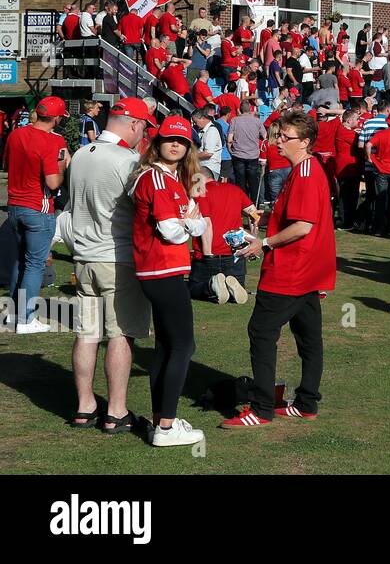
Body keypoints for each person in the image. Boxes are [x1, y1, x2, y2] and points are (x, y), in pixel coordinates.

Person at [222, 110, 337, 427]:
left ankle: (261, 409)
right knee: (309, 339)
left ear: (306, 142)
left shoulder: (305, 172)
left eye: (286, 137)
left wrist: (264, 243)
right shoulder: (304, 170)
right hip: (307, 271)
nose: (277, 142)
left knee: (261, 333)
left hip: (292, 271)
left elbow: (302, 226)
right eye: (278, 135)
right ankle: (306, 402)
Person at [65, 98, 153, 433]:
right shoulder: (127, 159)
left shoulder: (82, 154)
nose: (142, 135)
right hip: (116, 256)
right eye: (143, 128)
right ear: (133, 124)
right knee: (121, 333)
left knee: (87, 333)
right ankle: (116, 411)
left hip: (84, 255)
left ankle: (85, 406)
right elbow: (144, 207)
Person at [130, 114, 208, 447]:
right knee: (183, 345)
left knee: (165, 346)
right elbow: (174, 231)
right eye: (169, 139)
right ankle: (166, 425)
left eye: (182, 140)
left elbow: (200, 223)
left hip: (165, 269)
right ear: (156, 142)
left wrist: (191, 221)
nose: (175, 145)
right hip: (160, 268)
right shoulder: (157, 179)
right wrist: (188, 223)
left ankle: (162, 417)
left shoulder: (172, 179)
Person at [4, 96, 70, 332]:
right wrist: (63, 166)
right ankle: (26, 318)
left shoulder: (16, 134)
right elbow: (53, 183)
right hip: (37, 206)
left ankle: (14, 314)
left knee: (21, 260)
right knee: (34, 264)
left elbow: (7, 164)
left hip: (14, 204)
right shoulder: (53, 141)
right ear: (57, 118)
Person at [189, 171, 258, 305]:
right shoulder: (235, 189)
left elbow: (206, 224)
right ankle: (233, 286)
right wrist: (254, 239)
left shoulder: (200, 193)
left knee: (193, 288)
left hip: (210, 254)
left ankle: (212, 287)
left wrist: (208, 255)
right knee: (236, 284)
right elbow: (253, 213)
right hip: (236, 253)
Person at [226, 101, 266, 205]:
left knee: (240, 181)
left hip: (238, 154)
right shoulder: (257, 121)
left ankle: (242, 204)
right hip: (253, 155)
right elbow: (265, 136)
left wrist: (230, 150)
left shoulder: (234, 120)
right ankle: (254, 204)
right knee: (253, 181)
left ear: (240, 109)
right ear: (251, 109)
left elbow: (229, 139)